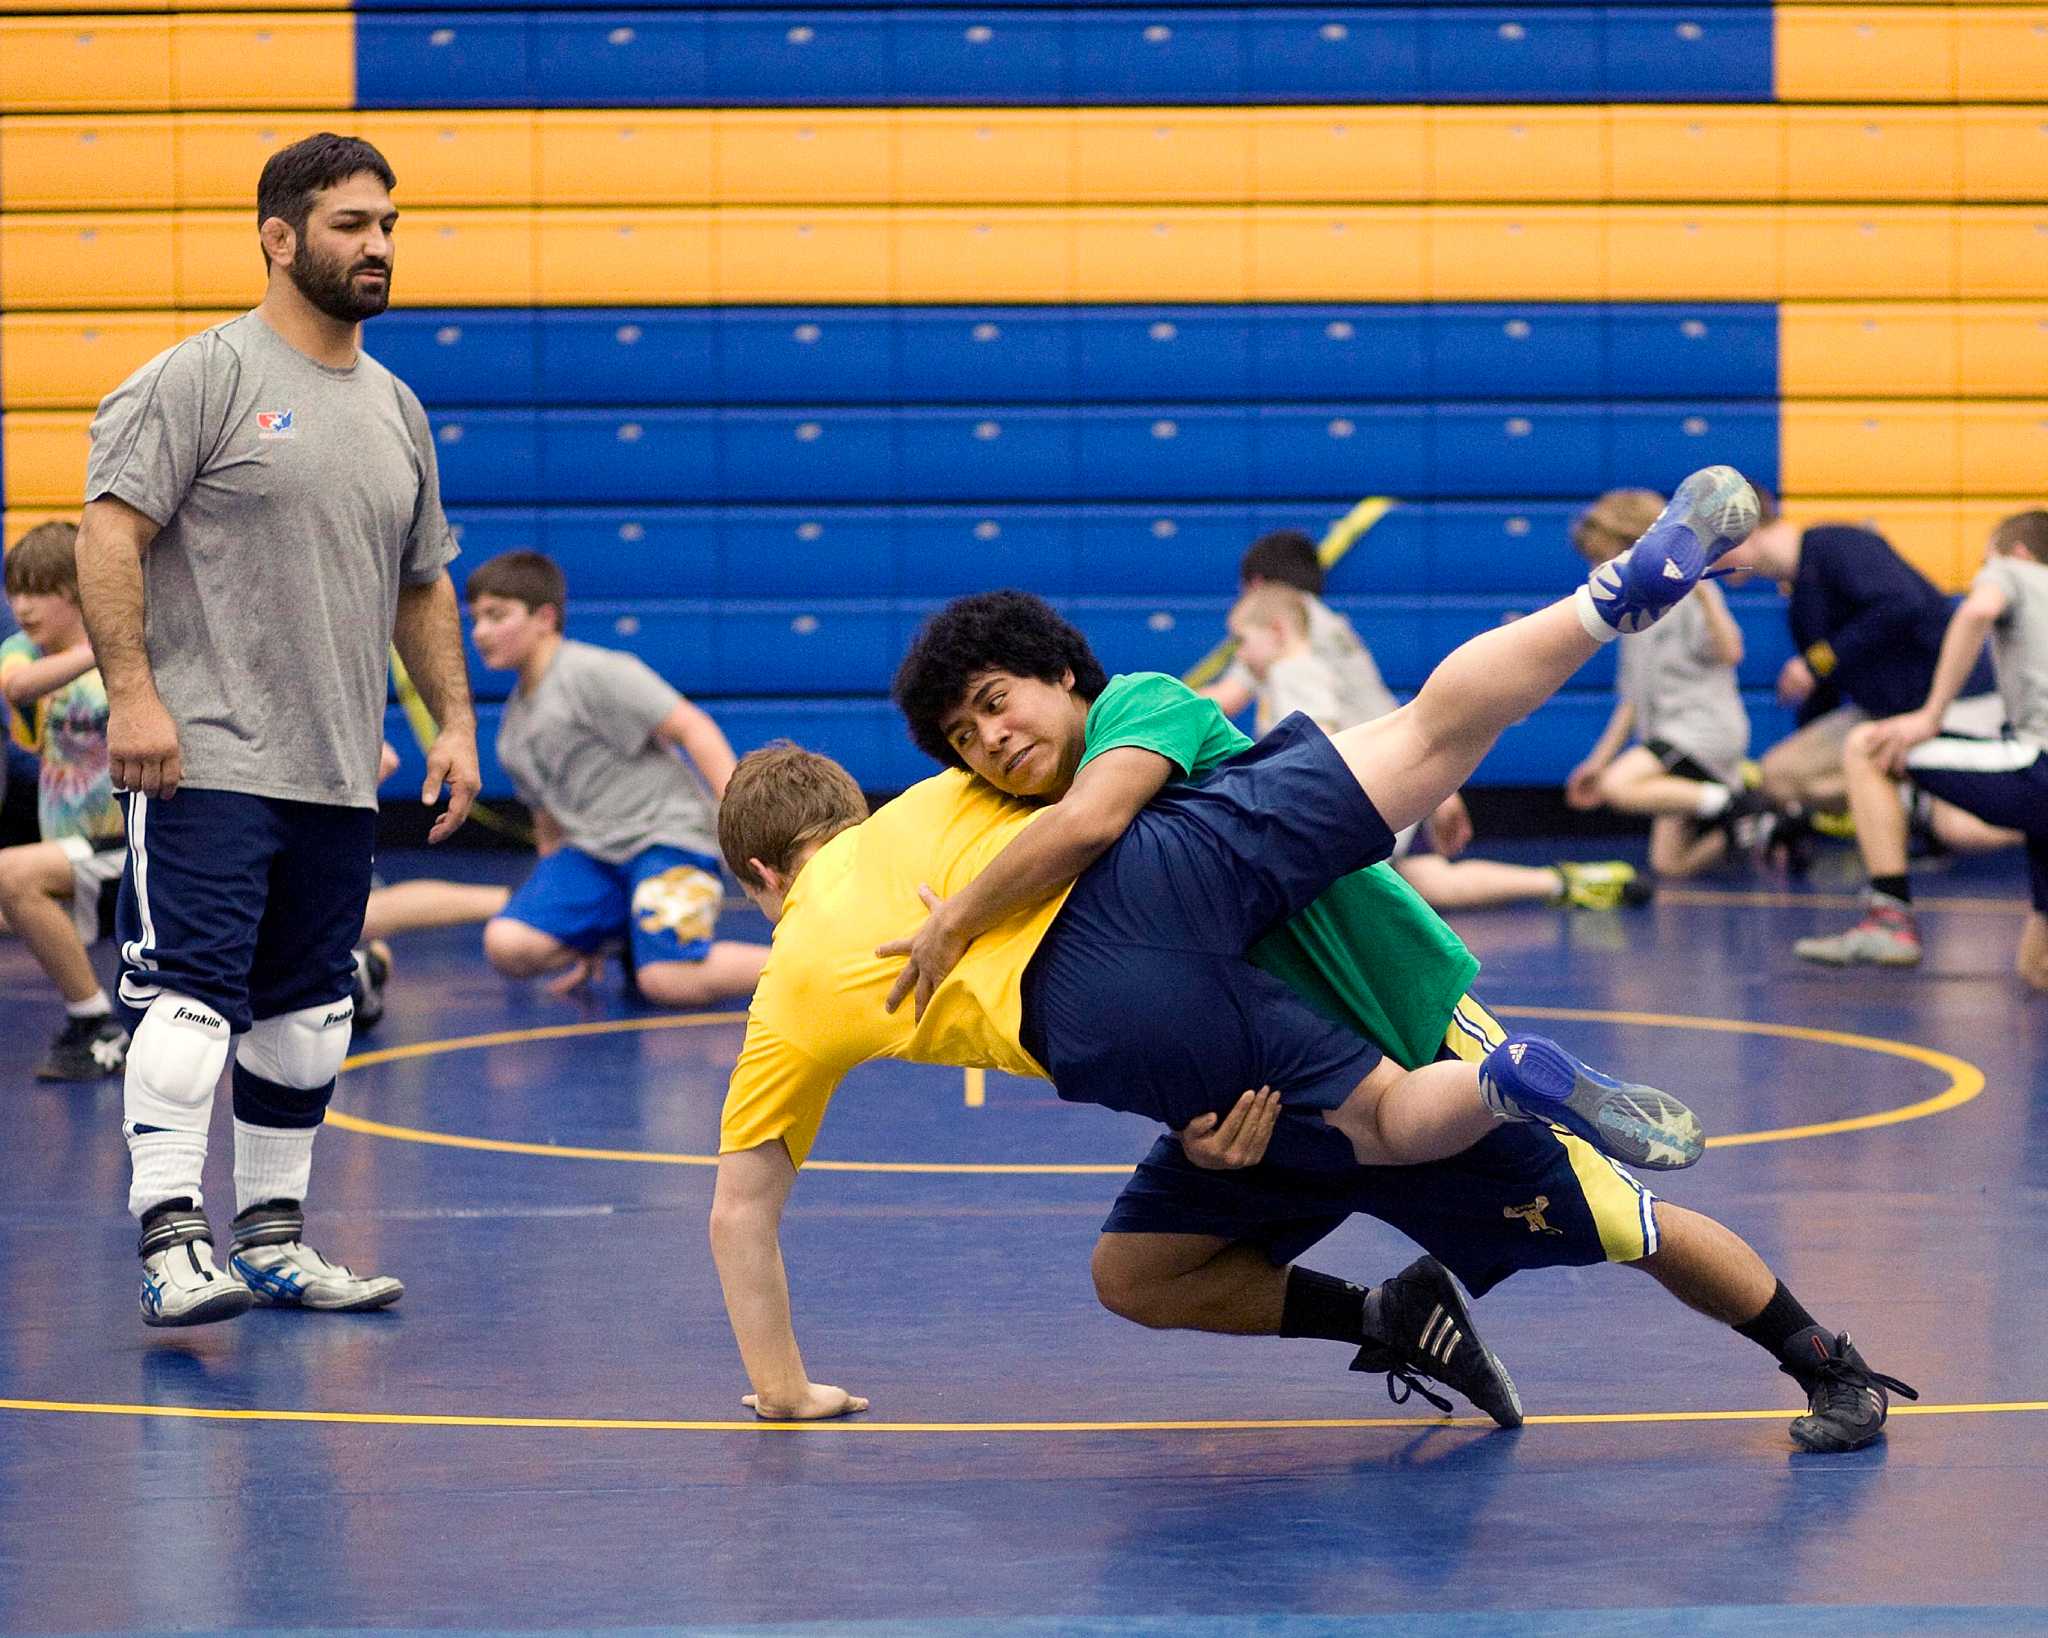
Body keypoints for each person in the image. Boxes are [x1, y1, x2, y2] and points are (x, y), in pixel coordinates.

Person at [712, 468, 1917, 1452]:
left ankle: (1824, 1361)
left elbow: (1075, 862)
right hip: (1240, 1070)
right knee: (1136, 1272)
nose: (992, 740)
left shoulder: (1136, 710)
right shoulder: (957, 801)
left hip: (1380, 1011)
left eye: (997, 705)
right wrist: (1186, 1111)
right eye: (966, 735)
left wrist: (949, 921)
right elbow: (1086, 969)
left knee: (1626, 1223)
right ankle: (1393, 1315)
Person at [74, 133, 480, 1328]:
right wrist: (136, 697)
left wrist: (452, 721)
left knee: (311, 1010)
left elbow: (421, 583)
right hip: (204, 751)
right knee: (190, 997)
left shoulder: (397, 409)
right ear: (279, 236)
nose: (379, 246)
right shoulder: (196, 377)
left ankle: (271, 1242)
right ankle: (169, 1244)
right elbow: (108, 535)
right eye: (352, 224)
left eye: (389, 224)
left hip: (338, 768)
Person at [1208, 529, 1646, 911]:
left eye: (1240, 640)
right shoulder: (1322, 627)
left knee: (1334, 891)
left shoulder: (1281, 641)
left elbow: (1282, 725)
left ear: (1257, 586)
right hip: (1392, 769)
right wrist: (1434, 786)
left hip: (1360, 790)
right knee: (1427, 879)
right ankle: (1567, 881)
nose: (1240, 649)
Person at [466, 550, 768, 1007]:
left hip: (667, 839)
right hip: (595, 856)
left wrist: (744, 823)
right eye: (475, 620)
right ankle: (626, 931)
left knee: (667, 981)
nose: (480, 633)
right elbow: (549, 826)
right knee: (508, 944)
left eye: (497, 616)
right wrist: (580, 935)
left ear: (545, 617)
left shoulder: (593, 673)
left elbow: (692, 728)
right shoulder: (512, 730)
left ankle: (818, 965)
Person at [1795, 510, 2048, 986]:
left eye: (1983, 559)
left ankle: (1890, 919)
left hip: (2037, 762)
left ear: (2016, 552)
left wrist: (1931, 715)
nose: (1980, 570)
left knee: (1868, 746)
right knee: (2036, 969)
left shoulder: (2014, 570)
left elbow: (1976, 610)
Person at [1744, 499, 2011, 862]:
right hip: (1885, 713)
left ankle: (1921, 797)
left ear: (1748, 530)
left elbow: (1903, 603)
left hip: (1952, 700)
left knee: (1959, 829)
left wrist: (1817, 662)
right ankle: (1909, 799)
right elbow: (1824, 688)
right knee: (1778, 775)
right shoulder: (1799, 600)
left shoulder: (1834, 545)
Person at [1563, 489, 1763, 877]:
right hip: (1667, 736)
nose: (1595, 564)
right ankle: (1761, 823)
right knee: (1668, 864)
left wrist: (1705, 595)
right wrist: (1596, 762)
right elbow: (1631, 701)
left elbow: (1731, 651)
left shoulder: (1689, 589)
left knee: (1619, 786)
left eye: (1599, 554)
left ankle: (1735, 805)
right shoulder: (1631, 610)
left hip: (1700, 731)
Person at [0, 521, 130, 1079]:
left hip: (128, 842)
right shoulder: (22, 651)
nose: (24, 606)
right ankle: (356, 968)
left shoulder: (127, 658)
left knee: (11, 874)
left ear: (77, 591)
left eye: (40, 591)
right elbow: (17, 687)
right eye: (16, 591)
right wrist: (100, 647)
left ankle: (93, 1022)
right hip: (76, 845)